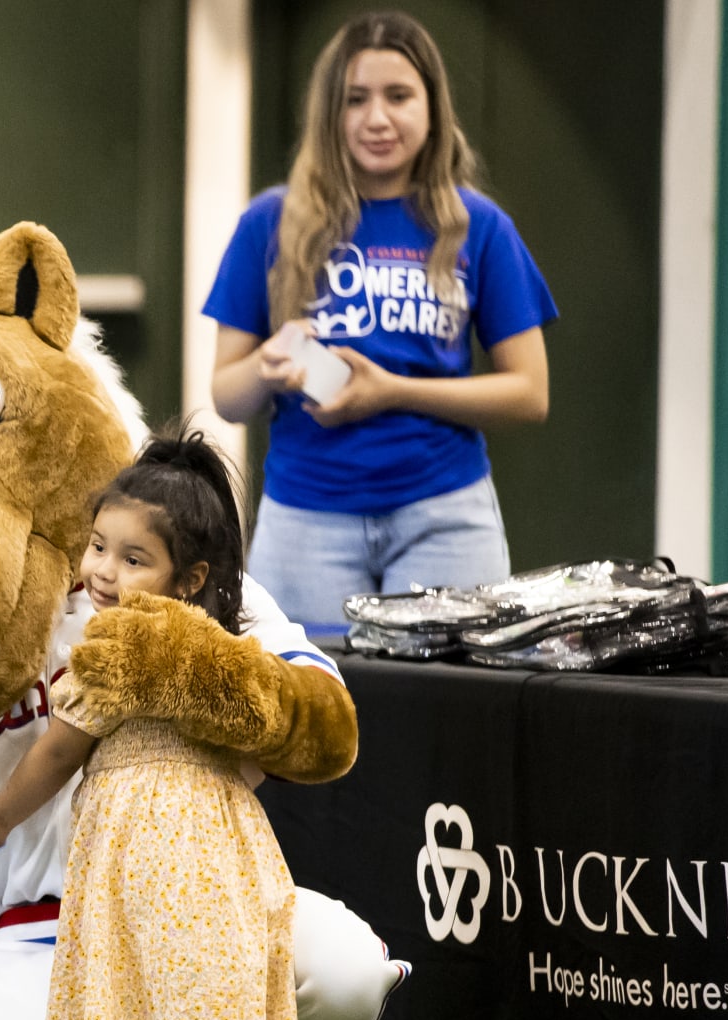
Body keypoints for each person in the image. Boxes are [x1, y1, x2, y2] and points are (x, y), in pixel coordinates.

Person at [0, 438, 291, 1020]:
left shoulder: (112, 650)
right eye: (98, 547)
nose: (101, 570)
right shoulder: (224, 652)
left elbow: (55, 756)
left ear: (189, 577)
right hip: (214, 870)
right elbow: (256, 758)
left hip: (132, 870)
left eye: (133, 558)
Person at [205, 9, 557, 628]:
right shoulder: (270, 221)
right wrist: (269, 362)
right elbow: (228, 397)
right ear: (329, 113)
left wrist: (390, 392)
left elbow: (529, 394)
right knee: (309, 718)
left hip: (446, 516)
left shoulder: (480, 225)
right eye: (355, 99)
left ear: (432, 105)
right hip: (305, 519)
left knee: (445, 720)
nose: (377, 118)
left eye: (399, 96)